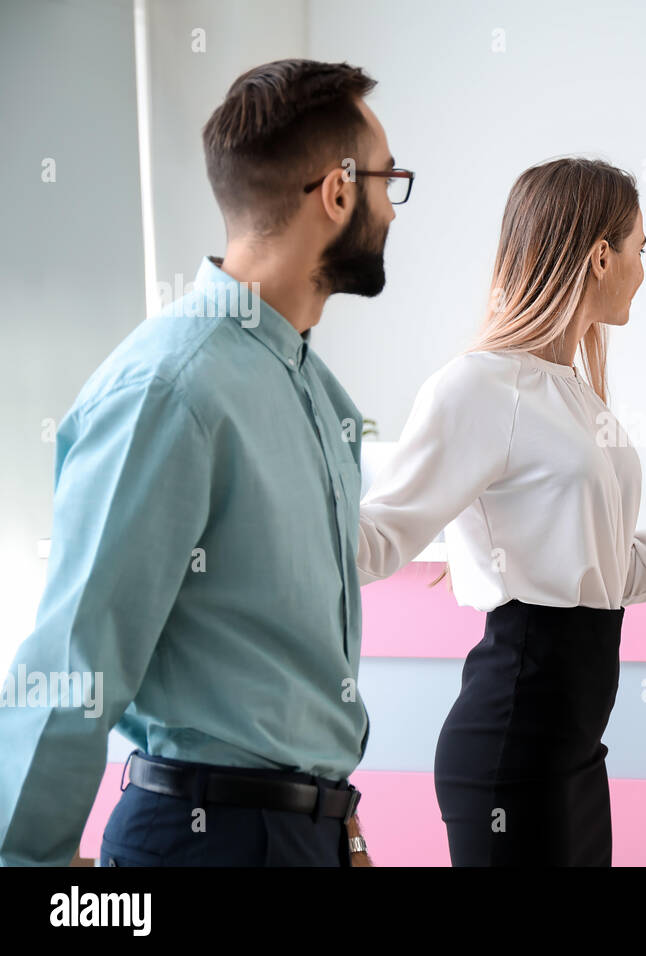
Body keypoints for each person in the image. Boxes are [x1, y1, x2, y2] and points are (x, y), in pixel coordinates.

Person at [356, 157, 646, 866]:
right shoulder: (480, 387)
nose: (643, 268)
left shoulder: (573, 395)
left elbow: (618, 573)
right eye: (641, 249)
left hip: (573, 748)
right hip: (513, 744)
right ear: (601, 256)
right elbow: (376, 538)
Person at [0, 59, 405, 866]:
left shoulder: (317, 393)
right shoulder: (171, 388)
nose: (392, 207)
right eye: (389, 182)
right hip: (208, 840)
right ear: (337, 193)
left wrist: (334, 822)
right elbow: (77, 650)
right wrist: (27, 862)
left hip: (304, 835)